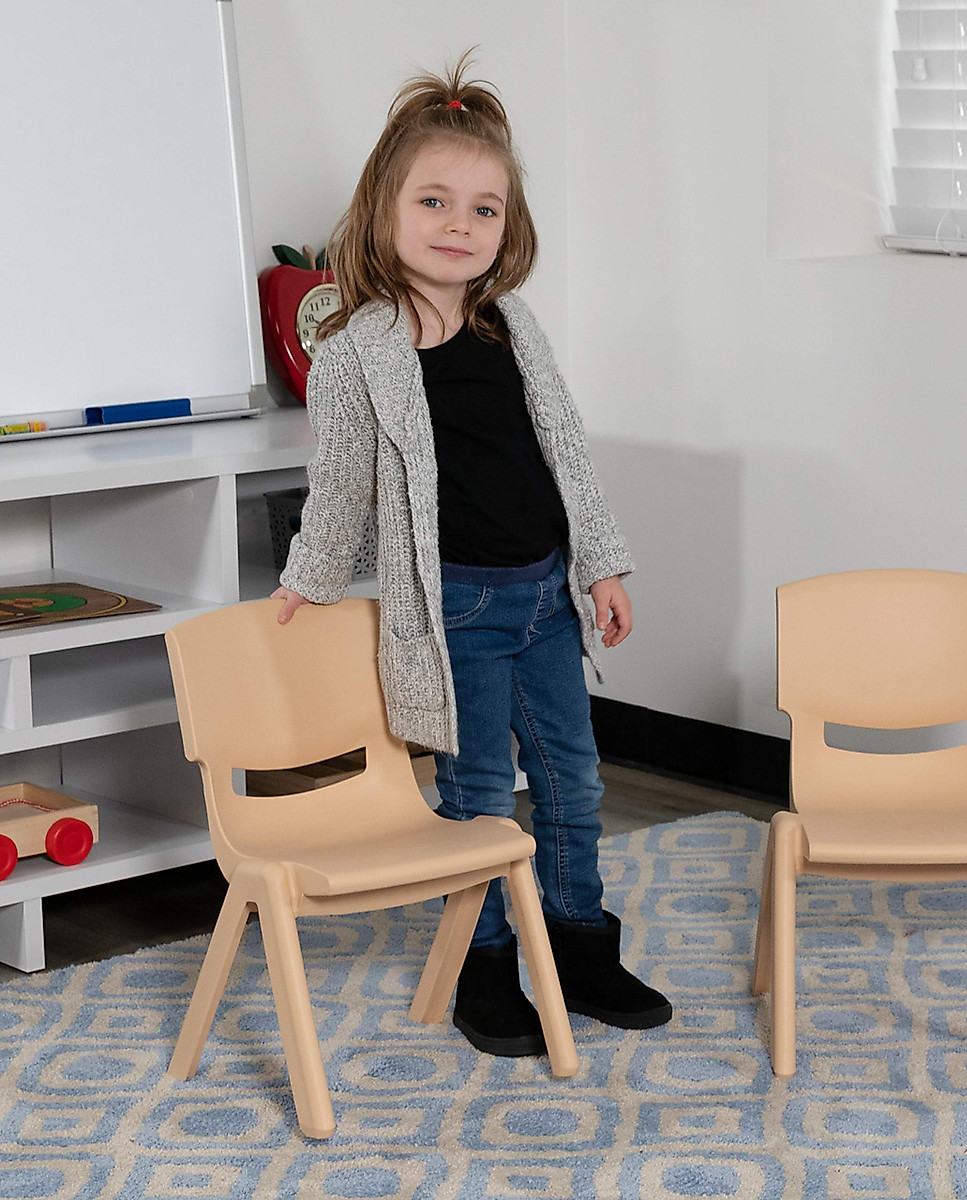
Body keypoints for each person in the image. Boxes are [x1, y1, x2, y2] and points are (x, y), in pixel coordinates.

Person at [271, 54, 671, 1057]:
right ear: (385, 211)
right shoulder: (359, 351)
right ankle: (484, 970)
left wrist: (602, 566)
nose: (460, 225)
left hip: (545, 597)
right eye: (436, 201)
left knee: (574, 784)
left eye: (484, 209)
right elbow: (343, 485)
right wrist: (308, 583)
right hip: (454, 614)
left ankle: (579, 943)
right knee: (479, 798)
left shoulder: (516, 327)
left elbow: (567, 454)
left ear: (509, 228)